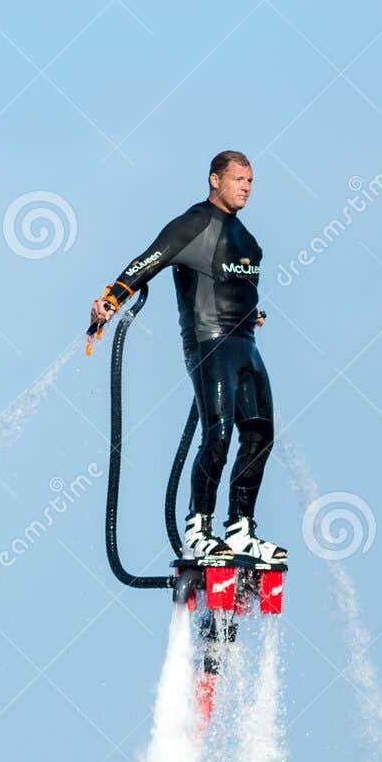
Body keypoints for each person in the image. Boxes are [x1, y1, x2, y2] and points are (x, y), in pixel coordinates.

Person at [89, 151, 286, 567]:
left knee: (260, 433)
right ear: (215, 180)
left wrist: (254, 314)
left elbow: (235, 286)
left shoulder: (248, 240)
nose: (247, 187)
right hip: (209, 342)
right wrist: (111, 300)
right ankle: (198, 529)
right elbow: (148, 261)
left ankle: (241, 529)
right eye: (238, 179)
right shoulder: (193, 224)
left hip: (246, 345)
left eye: (251, 180)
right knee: (217, 434)